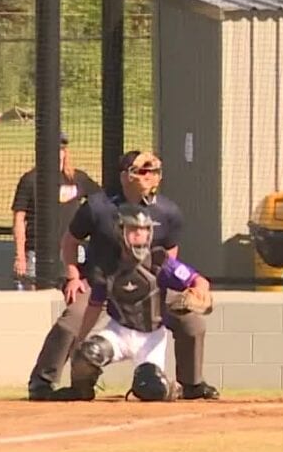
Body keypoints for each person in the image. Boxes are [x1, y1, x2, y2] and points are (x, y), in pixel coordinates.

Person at [28, 150, 219, 402]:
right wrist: (73, 276)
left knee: (191, 323)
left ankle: (191, 384)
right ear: (124, 176)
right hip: (103, 281)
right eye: (141, 171)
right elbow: (70, 242)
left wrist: (192, 287)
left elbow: (172, 257)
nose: (148, 176)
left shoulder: (168, 211)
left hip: (149, 286)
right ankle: (43, 382)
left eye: (152, 171)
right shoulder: (98, 206)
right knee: (71, 320)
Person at [67, 204, 214, 402]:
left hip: (151, 337)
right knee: (87, 354)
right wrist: (80, 340)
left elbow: (197, 279)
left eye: (144, 230)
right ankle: (80, 392)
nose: (139, 235)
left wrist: (200, 290)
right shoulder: (107, 266)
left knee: (151, 387)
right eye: (133, 230)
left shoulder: (159, 261)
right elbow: (95, 305)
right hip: (119, 332)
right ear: (121, 232)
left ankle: (174, 389)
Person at [10, 132, 100, 289]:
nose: (57, 155)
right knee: (35, 296)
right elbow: (19, 219)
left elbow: (101, 202)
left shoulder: (78, 178)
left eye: (60, 150)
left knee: (75, 294)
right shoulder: (30, 180)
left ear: (65, 152)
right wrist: (20, 256)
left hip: (71, 251)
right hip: (38, 253)